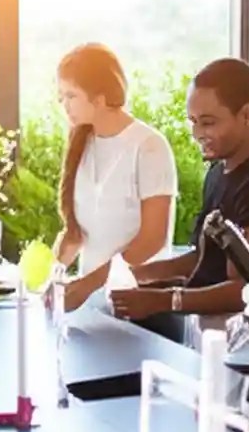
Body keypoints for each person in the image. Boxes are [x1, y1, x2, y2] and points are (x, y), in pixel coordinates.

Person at [110, 58, 249, 342]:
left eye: (208, 123)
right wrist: (136, 276)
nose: (198, 134)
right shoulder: (220, 170)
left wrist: (165, 301)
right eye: (193, 122)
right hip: (208, 333)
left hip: (244, 342)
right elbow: (205, 256)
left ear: (247, 115)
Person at [52, 43, 179, 312]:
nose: (64, 105)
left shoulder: (149, 146)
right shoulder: (81, 143)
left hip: (141, 305)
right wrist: (51, 280)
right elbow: (76, 234)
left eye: (71, 96)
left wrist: (87, 285)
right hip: (92, 308)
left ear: (100, 98)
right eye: (61, 96)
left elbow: (151, 241)